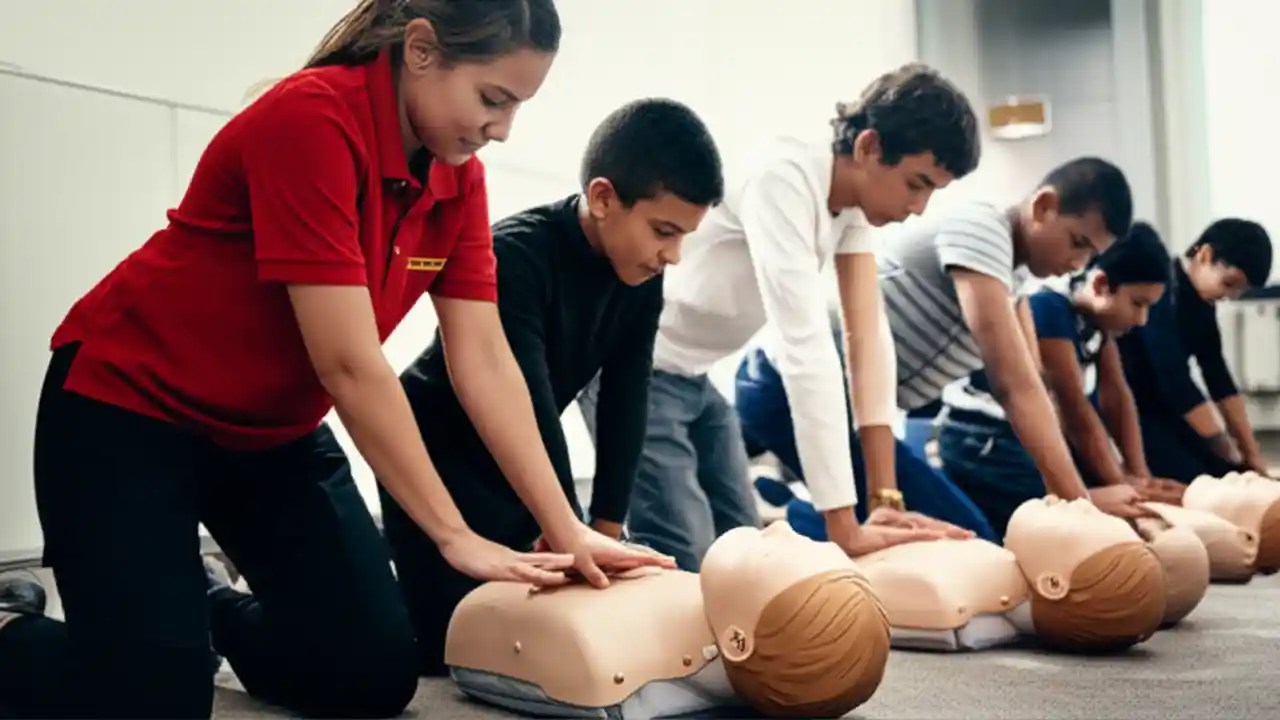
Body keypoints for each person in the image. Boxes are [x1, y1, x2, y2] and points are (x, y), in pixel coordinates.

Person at [0, 3, 660, 718]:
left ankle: (205, 609)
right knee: (153, 699)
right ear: (421, 51)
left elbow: (486, 360)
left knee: (371, 671)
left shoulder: (456, 175)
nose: (501, 129)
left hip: (268, 437)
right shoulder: (312, 119)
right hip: (129, 411)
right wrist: (453, 536)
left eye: (516, 106)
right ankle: (12, 626)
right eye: (493, 99)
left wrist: (566, 528)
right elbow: (347, 362)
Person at [383, 98, 722, 675]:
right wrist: (569, 531)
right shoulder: (517, 255)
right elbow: (531, 405)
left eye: (685, 236)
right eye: (664, 231)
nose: (674, 254)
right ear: (603, 197)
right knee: (442, 648)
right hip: (438, 456)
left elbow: (624, 397)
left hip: (522, 466)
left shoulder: (640, 273)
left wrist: (606, 528)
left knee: (532, 627)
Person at [611, 63, 981, 572]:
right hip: (635, 367)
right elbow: (804, 348)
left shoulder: (851, 211)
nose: (918, 207)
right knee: (687, 551)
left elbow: (868, 341)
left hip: (695, 378)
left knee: (745, 545)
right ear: (869, 148)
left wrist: (885, 499)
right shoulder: (783, 176)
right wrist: (843, 525)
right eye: (916, 184)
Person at [736, 157, 1147, 545]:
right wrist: (1082, 508)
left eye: (1090, 254)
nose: (1078, 263)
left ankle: (797, 508)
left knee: (965, 537)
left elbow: (1035, 386)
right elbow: (1013, 386)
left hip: (850, 411)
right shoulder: (982, 231)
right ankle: (794, 518)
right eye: (1077, 243)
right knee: (967, 541)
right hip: (788, 384)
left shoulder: (1016, 277)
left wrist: (1084, 493)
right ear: (1043, 206)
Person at [937, 223, 1173, 537]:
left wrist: (1138, 475)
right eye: (1138, 304)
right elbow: (1074, 411)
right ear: (1102, 285)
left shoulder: (1096, 323)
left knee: (1121, 502)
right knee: (1065, 523)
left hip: (1024, 439)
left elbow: (1116, 396)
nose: (1141, 319)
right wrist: (1111, 489)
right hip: (985, 438)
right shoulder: (1048, 307)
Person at [1116, 218, 1274, 483]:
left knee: (1230, 475)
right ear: (1205, 255)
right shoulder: (1163, 285)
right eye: (1229, 283)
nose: (1231, 297)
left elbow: (1218, 377)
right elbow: (1173, 378)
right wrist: (1221, 443)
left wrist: (1251, 454)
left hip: (1166, 411)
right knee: (1201, 481)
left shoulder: (1202, 304)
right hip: (1132, 410)